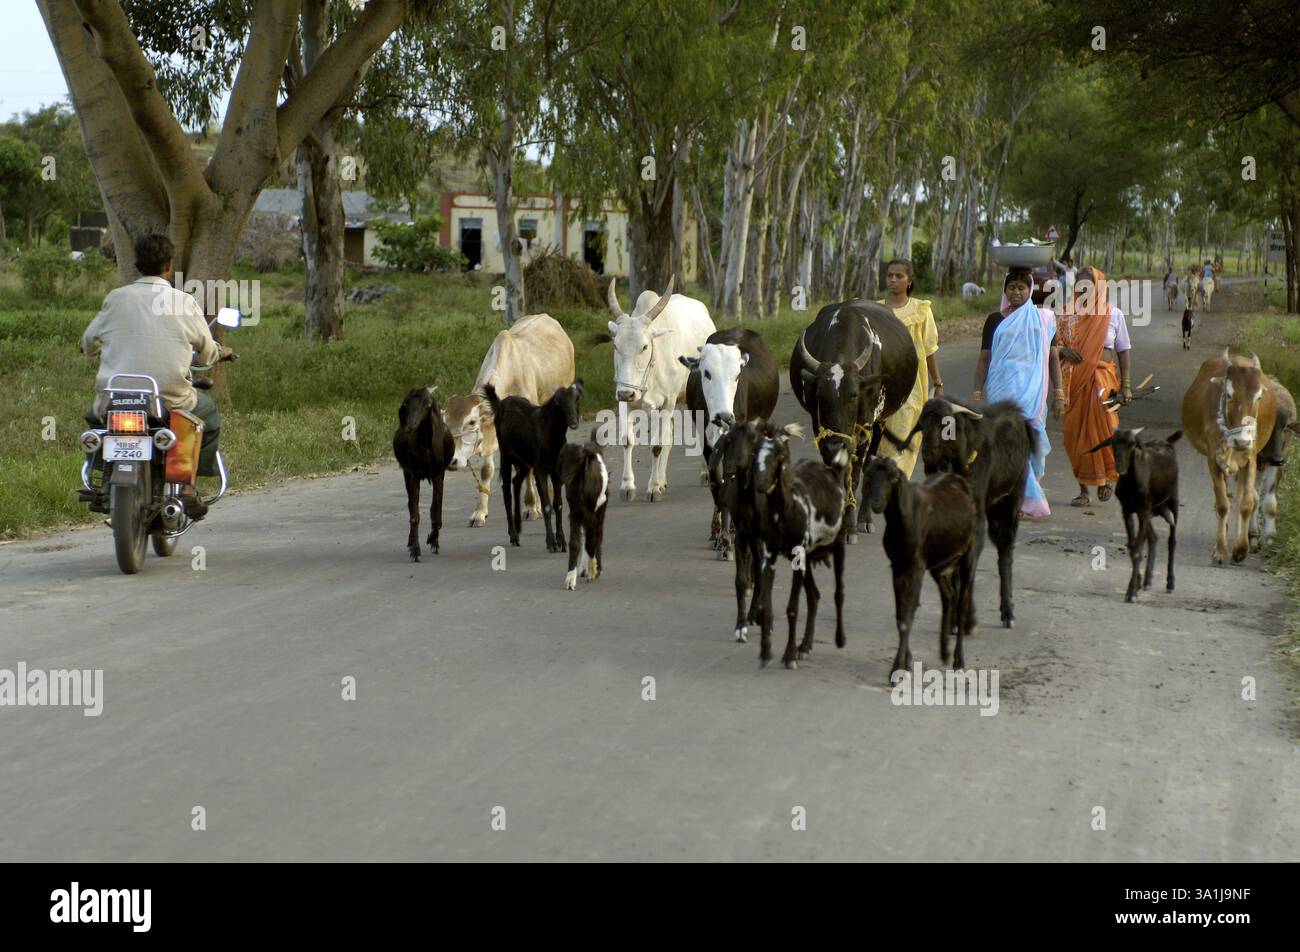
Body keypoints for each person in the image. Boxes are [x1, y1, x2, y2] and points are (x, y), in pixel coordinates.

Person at [81, 233, 231, 517]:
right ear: (169, 265)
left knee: (93, 420)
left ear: (137, 264)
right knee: (208, 418)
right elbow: (207, 351)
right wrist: (219, 353)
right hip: (170, 398)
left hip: (116, 398)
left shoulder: (116, 298)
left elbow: (88, 343)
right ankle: (187, 488)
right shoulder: (182, 302)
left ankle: (102, 479)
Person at [972, 268, 1064, 518]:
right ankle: (1018, 498)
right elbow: (984, 358)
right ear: (1005, 291)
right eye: (1011, 287)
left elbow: (1053, 357)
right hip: (1002, 391)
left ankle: (1023, 494)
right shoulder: (995, 319)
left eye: (1021, 287)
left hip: (1033, 393)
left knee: (1030, 445)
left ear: (1030, 290)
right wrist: (978, 391)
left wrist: (1059, 393)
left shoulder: (1043, 318)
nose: (1016, 292)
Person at [1057, 266, 1133, 507]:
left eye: (1089, 284)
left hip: (1103, 380)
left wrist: (1127, 385)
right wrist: (1064, 351)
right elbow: (1053, 347)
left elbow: (1123, 350)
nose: (1084, 288)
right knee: (1074, 436)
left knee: (1107, 428)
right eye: (1080, 284)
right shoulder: (1067, 314)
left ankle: (1107, 479)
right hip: (1074, 382)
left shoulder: (1113, 314)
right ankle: (1083, 491)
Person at [878, 258, 942, 477]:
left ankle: (897, 481)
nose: (893, 280)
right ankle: (885, 478)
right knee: (881, 436)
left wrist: (938, 382)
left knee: (905, 430)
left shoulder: (921, 310)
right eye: (890, 275)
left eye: (899, 276)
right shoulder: (875, 311)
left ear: (909, 280)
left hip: (911, 384)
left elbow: (929, 349)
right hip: (880, 384)